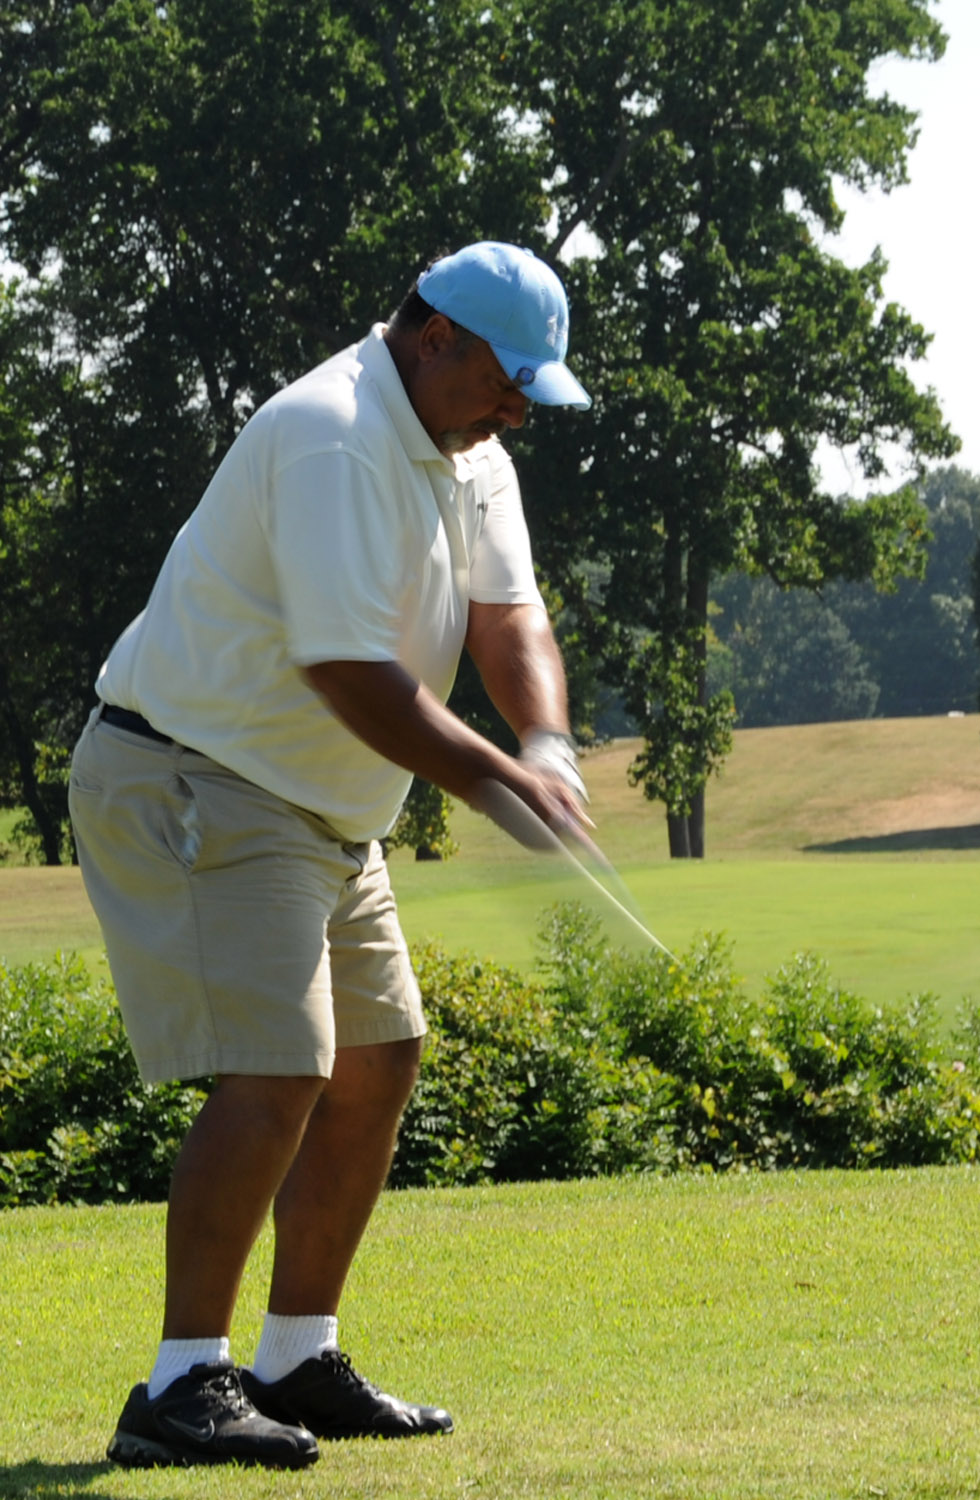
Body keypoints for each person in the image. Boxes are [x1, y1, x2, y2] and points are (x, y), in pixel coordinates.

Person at [69, 242, 594, 1470]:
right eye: (508, 381)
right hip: (199, 774)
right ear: (435, 336)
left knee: (378, 1056)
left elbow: (507, 613)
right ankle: (179, 1387)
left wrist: (549, 744)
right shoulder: (331, 435)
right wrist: (494, 780)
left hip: (323, 806)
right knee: (278, 1068)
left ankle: (295, 1357)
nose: (518, 411)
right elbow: (347, 670)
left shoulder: (471, 452)